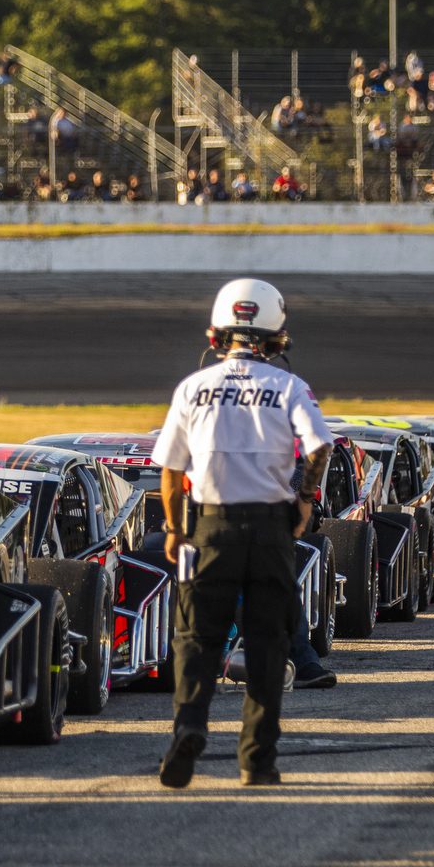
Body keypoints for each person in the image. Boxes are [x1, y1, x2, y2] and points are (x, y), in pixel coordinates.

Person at [152, 278, 334, 789]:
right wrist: (304, 501)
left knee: (195, 637)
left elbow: (168, 469)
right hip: (272, 528)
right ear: (275, 333)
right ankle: (257, 759)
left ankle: (189, 726)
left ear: (219, 330)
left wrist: (174, 526)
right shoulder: (289, 387)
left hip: (209, 526)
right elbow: (320, 448)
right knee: (268, 643)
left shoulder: (192, 388)